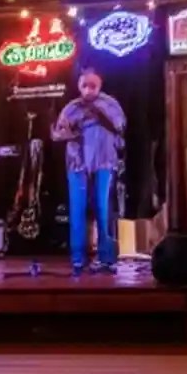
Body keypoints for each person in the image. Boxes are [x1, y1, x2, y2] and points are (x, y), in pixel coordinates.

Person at [51, 68, 127, 275]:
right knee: (77, 210)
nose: (88, 90)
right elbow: (57, 134)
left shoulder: (110, 104)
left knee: (104, 209)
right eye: (84, 85)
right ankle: (78, 259)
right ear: (79, 86)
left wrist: (98, 114)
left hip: (104, 162)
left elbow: (120, 127)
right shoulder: (72, 107)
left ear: (100, 85)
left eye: (93, 86)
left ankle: (107, 259)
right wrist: (70, 131)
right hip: (77, 163)